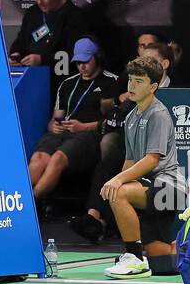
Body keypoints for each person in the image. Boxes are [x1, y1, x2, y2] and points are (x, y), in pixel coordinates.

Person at [100, 55, 186, 279]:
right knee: (164, 263)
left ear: (153, 87)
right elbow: (130, 162)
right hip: (149, 188)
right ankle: (185, 244)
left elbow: (151, 160)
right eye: (130, 80)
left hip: (170, 190)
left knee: (118, 192)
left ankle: (134, 257)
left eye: (139, 81)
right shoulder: (130, 117)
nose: (131, 86)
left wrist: (117, 182)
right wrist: (120, 179)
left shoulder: (158, 114)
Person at [28, 38, 121, 201]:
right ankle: (20, 200)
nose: (81, 66)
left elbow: (114, 121)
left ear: (97, 58)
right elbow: (55, 118)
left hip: (89, 133)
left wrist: (83, 127)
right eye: (78, 62)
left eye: (86, 61)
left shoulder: (112, 82)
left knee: (57, 158)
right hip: (62, 132)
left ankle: (29, 204)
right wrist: (53, 127)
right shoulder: (67, 84)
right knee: (39, 158)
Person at [8, 0, 91, 91]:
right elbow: (22, 39)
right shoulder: (33, 12)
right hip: (32, 79)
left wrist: (42, 60)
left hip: (61, 82)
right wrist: (16, 53)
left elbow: (75, 53)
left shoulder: (75, 16)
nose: (39, 2)